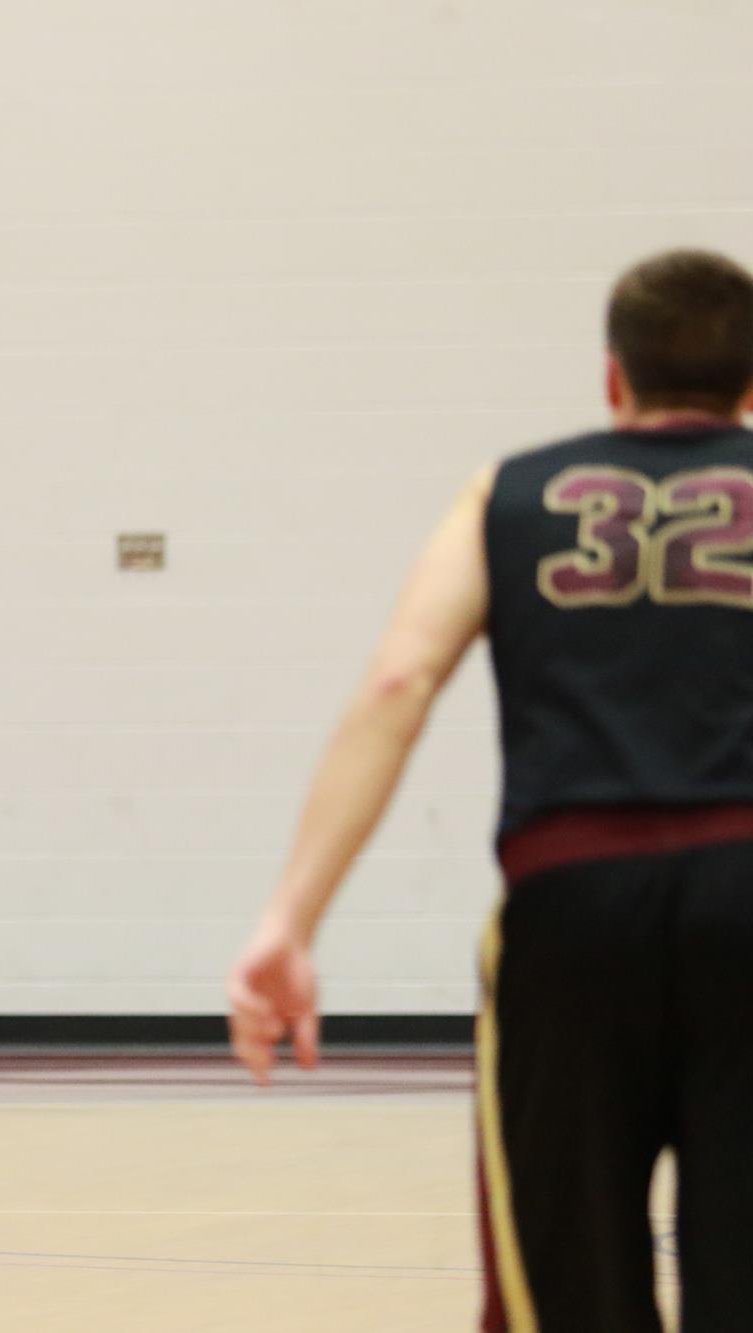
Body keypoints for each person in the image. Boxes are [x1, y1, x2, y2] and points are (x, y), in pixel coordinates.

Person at [228, 249, 753, 1330]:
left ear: (611, 378)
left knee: (566, 1286)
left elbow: (395, 682)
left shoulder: (506, 493)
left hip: (570, 912)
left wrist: (289, 917)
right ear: (748, 388)